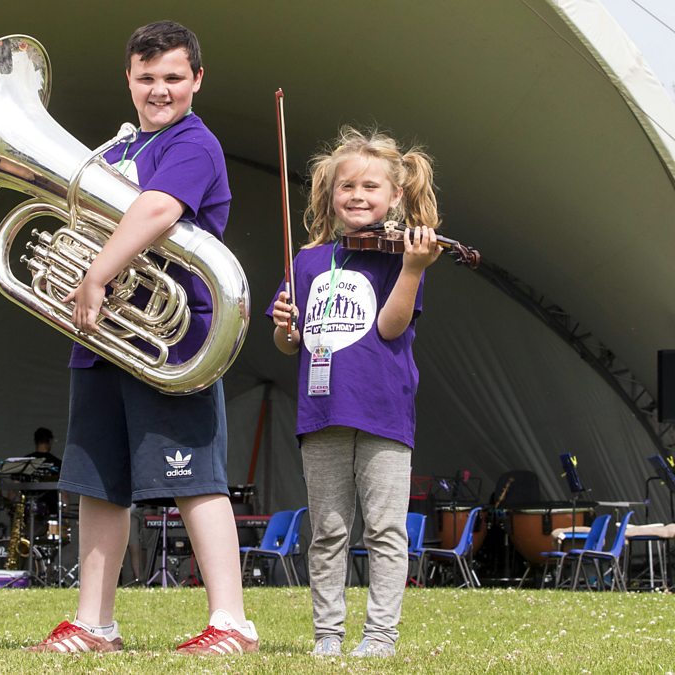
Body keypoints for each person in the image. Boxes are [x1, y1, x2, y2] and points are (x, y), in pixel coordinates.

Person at [28, 21, 257, 656]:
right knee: (97, 481)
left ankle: (233, 623)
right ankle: (94, 624)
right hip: (104, 338)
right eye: (147, 77)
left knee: (194, 478)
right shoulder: (112, 152)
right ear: (128, 79)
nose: (160, 90)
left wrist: (97, 272)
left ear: (197, 80)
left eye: (173, 78)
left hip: (172, 340)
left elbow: (156, 211)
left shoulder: (195, 143)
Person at [268, 126, 443, 658]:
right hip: (320, 412)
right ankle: (327, 636)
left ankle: (380, 637)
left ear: (395, 197)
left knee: (385, 530)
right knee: (328, 530)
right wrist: (283, 326)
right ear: (330, 195)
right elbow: (288, 344)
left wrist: (412, 269)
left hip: (384, 412)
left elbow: (390, 329)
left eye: (371, 188)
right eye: (348, 187)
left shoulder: (400, 256)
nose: (358, 196)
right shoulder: (308, 261)